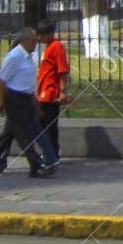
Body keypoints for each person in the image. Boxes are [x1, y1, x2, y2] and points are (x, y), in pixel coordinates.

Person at [0, 27, 57, 178]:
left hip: (26, 100)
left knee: (8, 133)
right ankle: (36, 165)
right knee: (24, 135)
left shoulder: (28, 57)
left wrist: (35, 104)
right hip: (14, 100)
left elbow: (28, 83)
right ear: (26, 41)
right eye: (34, 41)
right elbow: (2, 80)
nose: (36, 44)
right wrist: (2, 102)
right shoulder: (14, 57)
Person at [34, 19, 70, 162]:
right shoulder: (49, 46)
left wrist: (62, 91)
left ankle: (52, 153)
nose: (39, 38)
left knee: (49, 126)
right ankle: (50, 152)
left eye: (41, 35)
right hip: (43, 92)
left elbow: (62, 70)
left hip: (50, 93)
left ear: (49, 34)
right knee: (42, 125)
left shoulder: (56, 46)